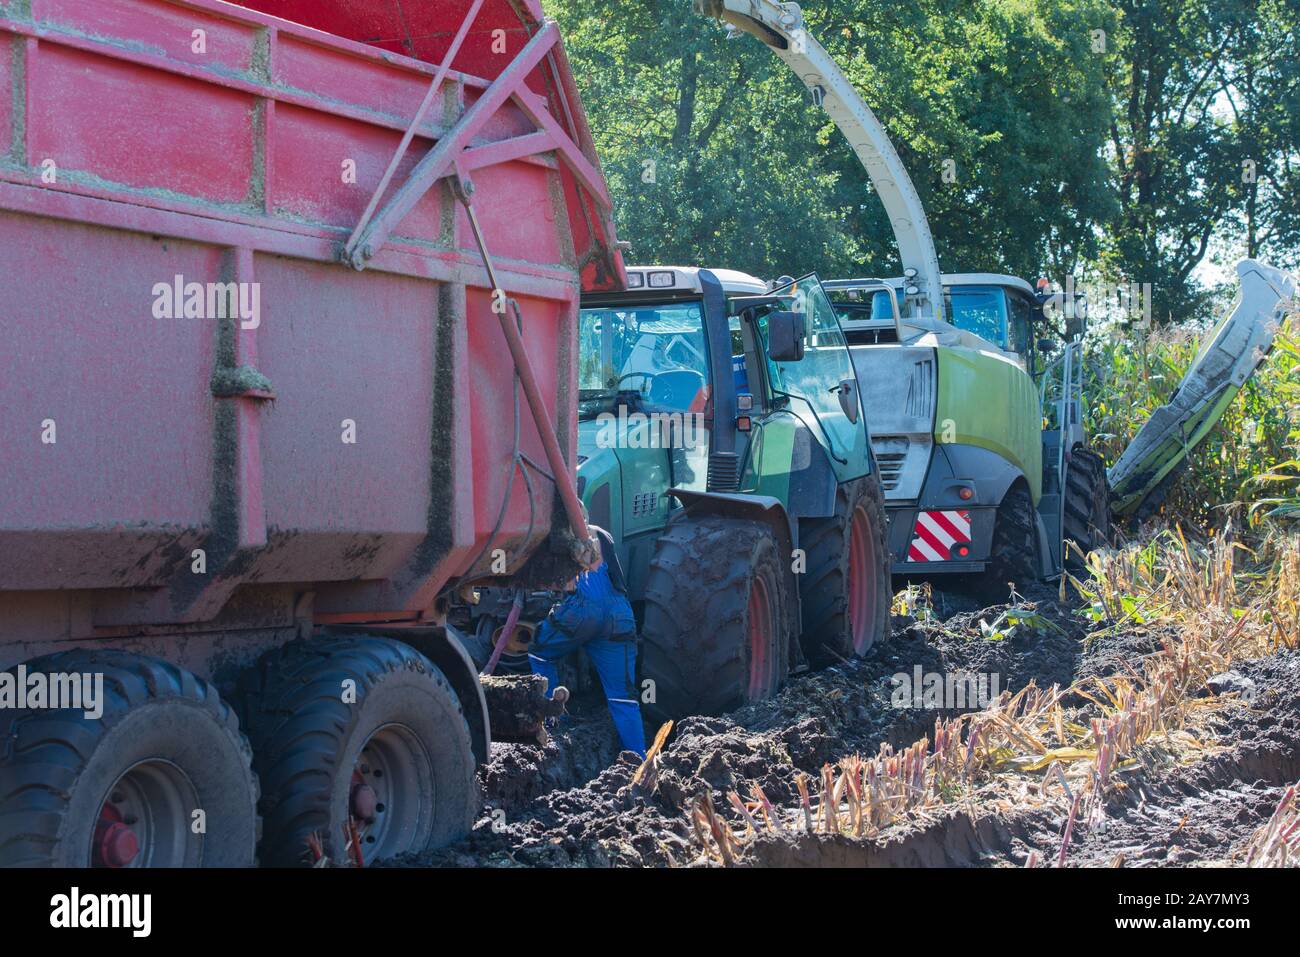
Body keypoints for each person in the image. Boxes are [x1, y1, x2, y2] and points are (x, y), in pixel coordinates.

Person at [528, 527, 647, 758]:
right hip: (619, 616)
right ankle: (639, 760)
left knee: (539, 654)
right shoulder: (603, 534)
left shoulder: (565, 533)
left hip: (583, 610)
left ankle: (555, 724)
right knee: (623, 696)